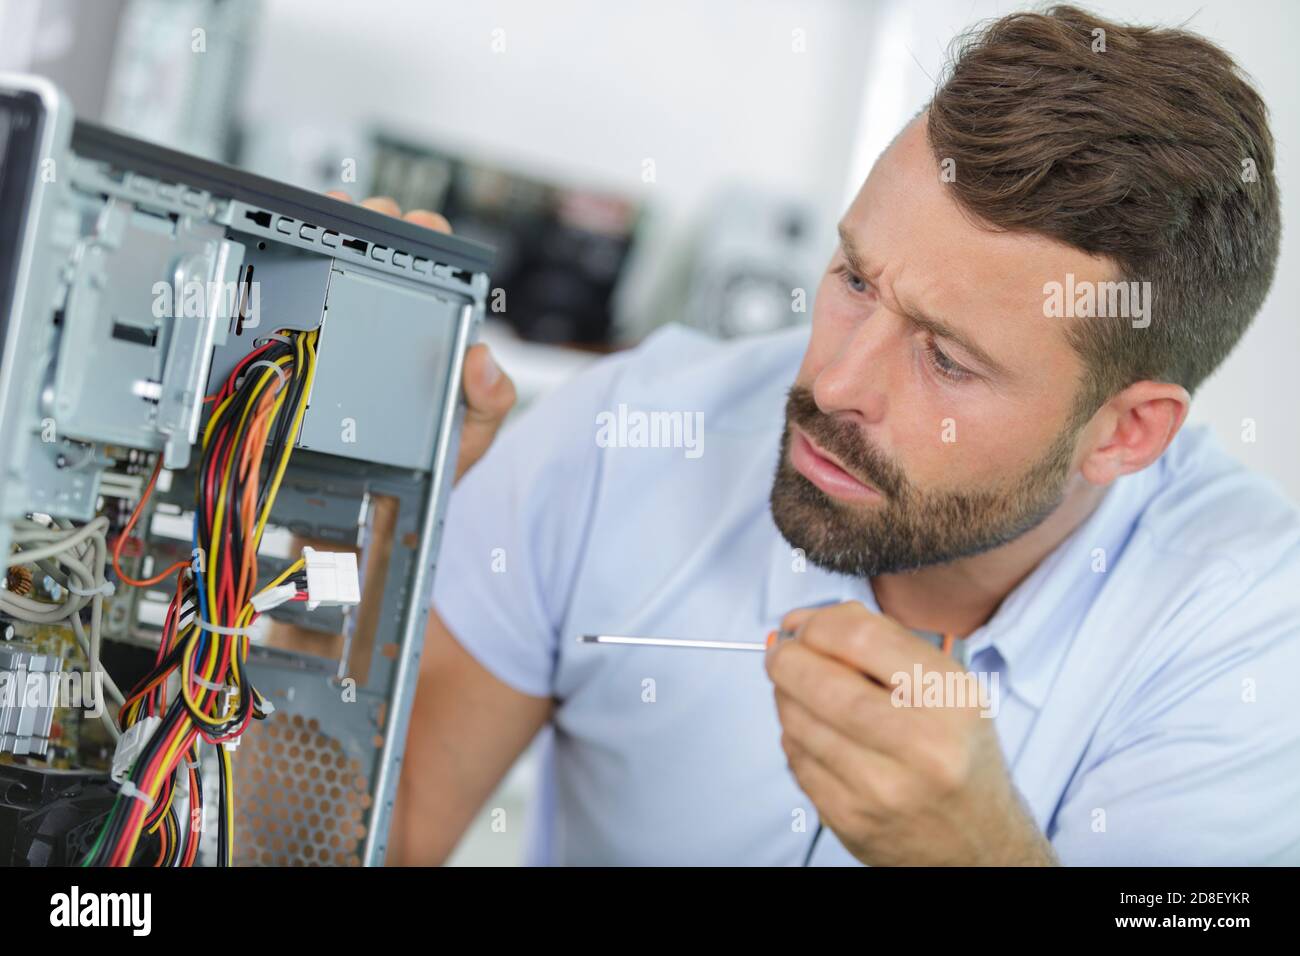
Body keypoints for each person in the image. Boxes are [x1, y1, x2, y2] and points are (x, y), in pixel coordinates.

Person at [353, 5, 1298, 865]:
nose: (835, 385)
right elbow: (345, 841)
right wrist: (353, 513)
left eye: (949, 360)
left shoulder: (1250, 637)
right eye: (854, 279)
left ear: (1127, 432)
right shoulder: (630, 436)